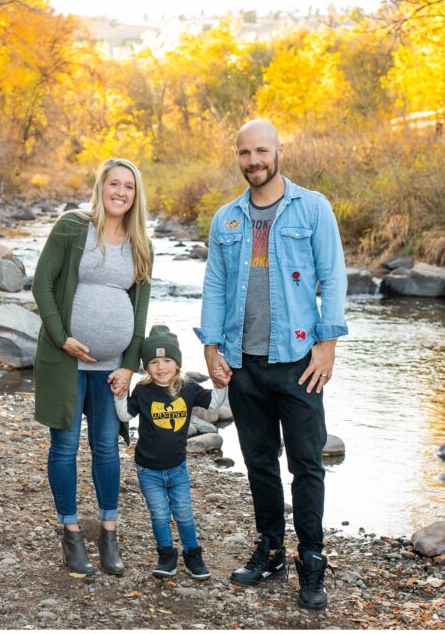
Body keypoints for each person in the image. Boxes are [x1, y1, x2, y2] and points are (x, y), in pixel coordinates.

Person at [194, 119, 348, 610]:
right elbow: (216, 285)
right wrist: (211, 345)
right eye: (245, 153)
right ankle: (271, 549)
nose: (254, 161)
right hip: (244, 364)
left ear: (279, 151)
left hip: (299, 361)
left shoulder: (313, 207)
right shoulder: (227, 219)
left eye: (262, 151)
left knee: (307, 465)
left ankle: (312, 558)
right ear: (237, 156)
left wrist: (328, 344)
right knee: (258, 462)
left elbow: (334, 277)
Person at [32, 157, 153, 578]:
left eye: (129, 187)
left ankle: (108, 533)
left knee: (106, 447)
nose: (120, 192)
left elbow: (140, 310)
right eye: (113, 184)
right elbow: (42, 284)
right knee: (64, 447)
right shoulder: (71, 227)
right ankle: (70, 533)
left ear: (136, 195)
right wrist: (61, 335)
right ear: (100, 188)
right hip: (65, 362)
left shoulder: (141, 242)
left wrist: (131, 365)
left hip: (111, 369)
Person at [113, 325, 228, 580]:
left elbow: (214, 402)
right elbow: (125, 415)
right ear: (146, 366)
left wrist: (222, 383)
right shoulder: (143, 390)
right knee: (159, 515)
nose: (161, 367)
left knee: (184, 513)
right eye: (154, 361)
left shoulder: (187, 387)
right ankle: (166, 556)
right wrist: (120, 394)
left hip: (178, 468)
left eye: (167, 360)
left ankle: (193, 555)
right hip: (148, 469)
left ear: (177, 364)